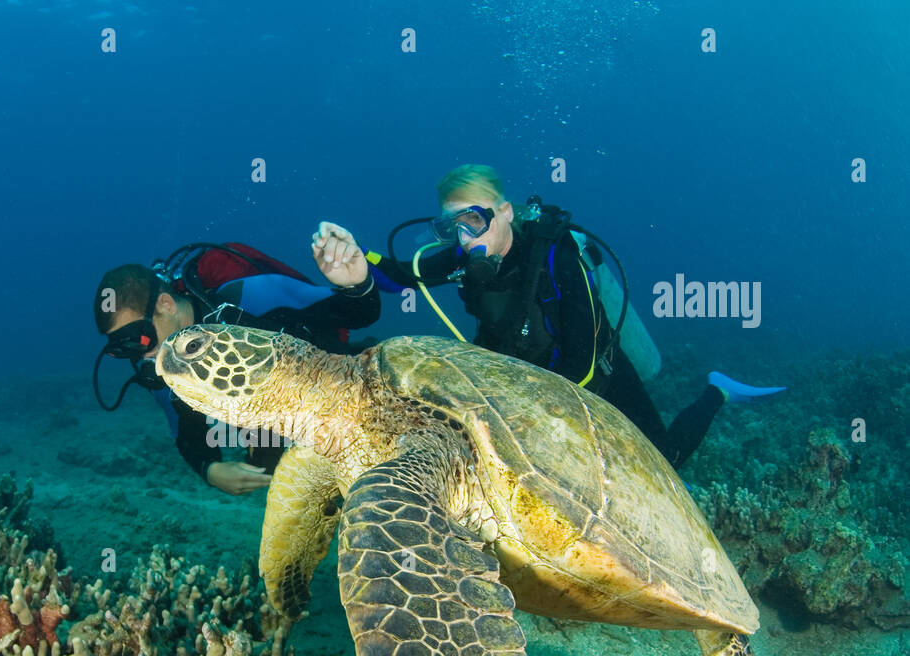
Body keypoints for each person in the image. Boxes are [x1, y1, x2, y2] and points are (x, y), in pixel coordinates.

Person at [313, 164, 784, 469]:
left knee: (667, 459)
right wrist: (357, 261)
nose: (463, 236)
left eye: (473, 220)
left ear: (505, 212)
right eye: (450, 226)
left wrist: (527, 419)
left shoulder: (555, 257)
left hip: (595, 380)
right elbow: (398, 276)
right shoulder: (463, 255)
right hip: (516, 385)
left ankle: (718, 390)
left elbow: (581, 363)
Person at [92, 237, 380, 494]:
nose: (143, 357)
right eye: (123, 350)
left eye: (139, 338)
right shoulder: (164, 362)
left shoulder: (245, 298)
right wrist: (210, 470)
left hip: (351, 388)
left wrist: (356, 284)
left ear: (166, 304)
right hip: (280, 430)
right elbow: (185, 432)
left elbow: (359, 313)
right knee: (274, 469)